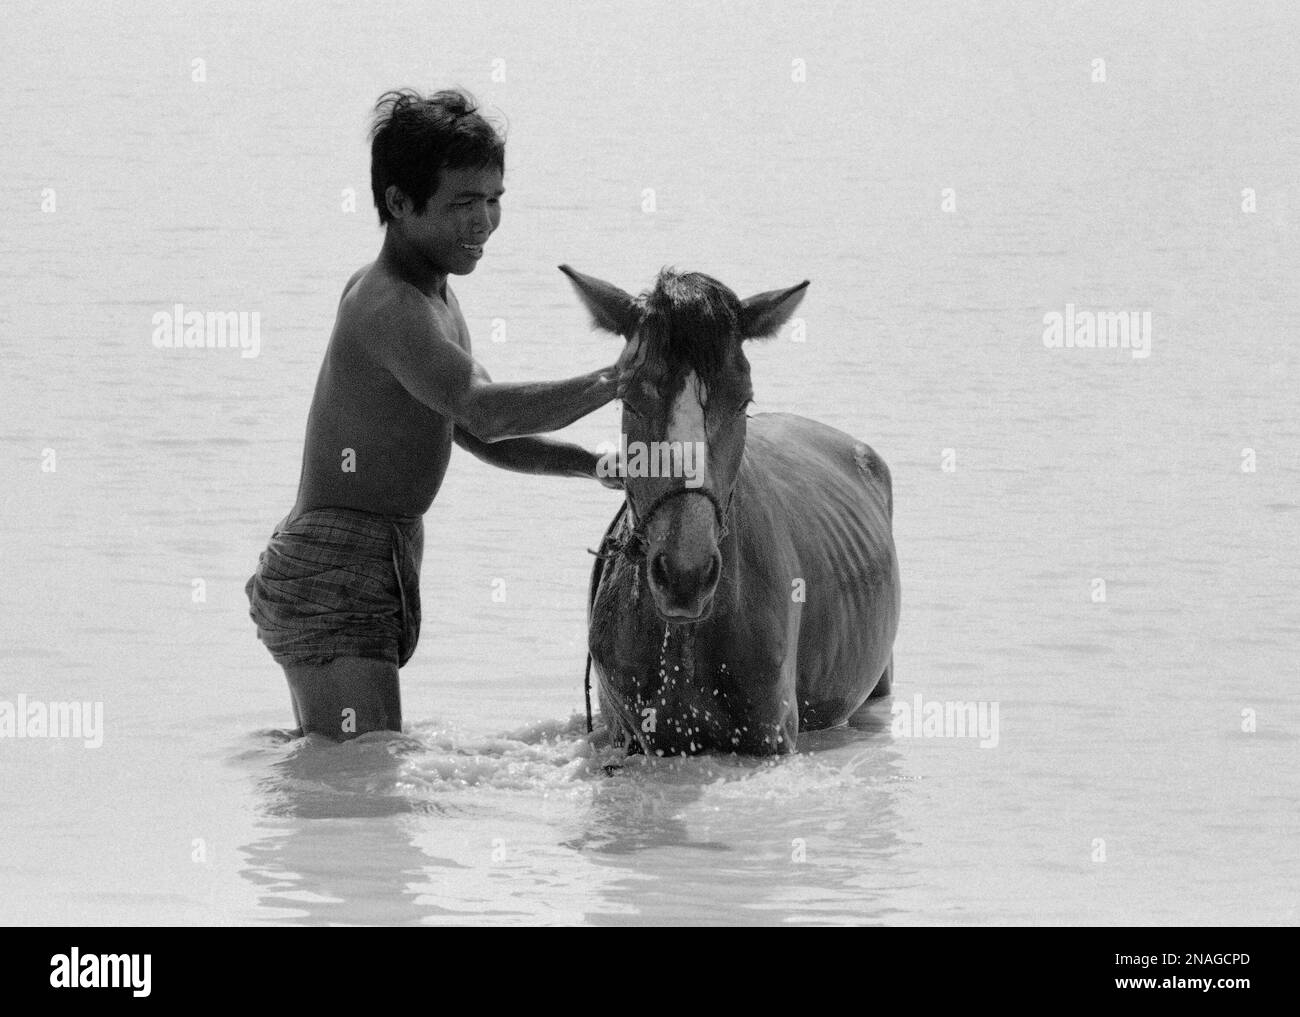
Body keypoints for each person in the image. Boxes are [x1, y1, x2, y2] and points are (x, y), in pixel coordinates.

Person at [246, 88, 622, 740]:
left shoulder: (436, 294)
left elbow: (475, 429)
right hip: (336, 564)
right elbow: (484, 408)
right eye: (462, 204)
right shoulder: (392, 305)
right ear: (399, 203)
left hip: (376, 559)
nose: (484, 221)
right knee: (365, 783)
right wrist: (617, 378)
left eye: (494, 200)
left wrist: (592, 465)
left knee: (346, 770)